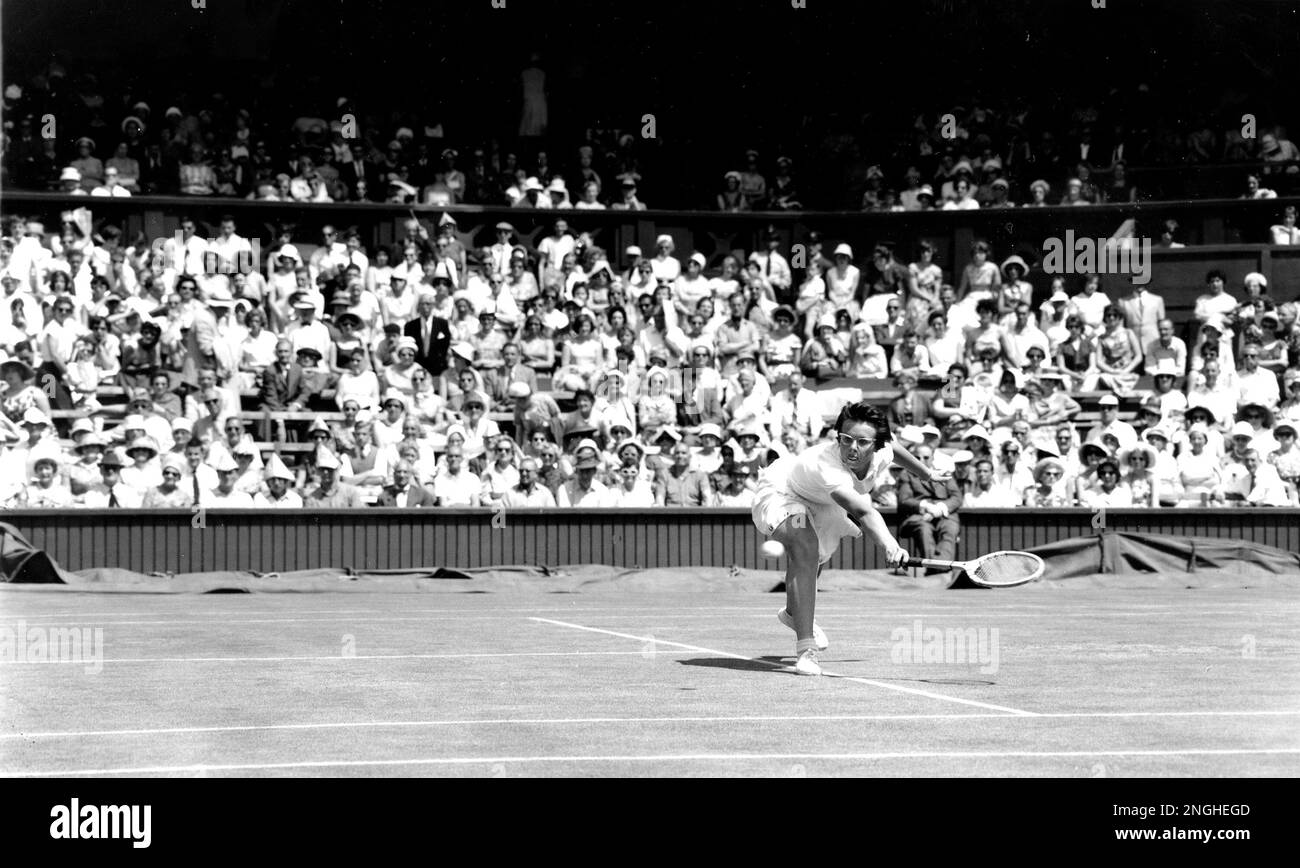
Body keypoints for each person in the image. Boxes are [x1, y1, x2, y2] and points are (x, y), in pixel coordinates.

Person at [751, 401, 941, 675]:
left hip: (822, 500)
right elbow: (864, 511)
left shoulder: (882, 449)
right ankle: (806, 651)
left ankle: (793, 612)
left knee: (815, 557)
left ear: (876, 444)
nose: (853, 448)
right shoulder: (828, 467)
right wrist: (890, 544)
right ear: (838, 436)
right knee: (805, 546)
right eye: (846, 439)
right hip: (783, 493)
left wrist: (928, 474)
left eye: (862, 442)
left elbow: (894, 449)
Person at [894, 443, 962, 573]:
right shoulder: (906, 474)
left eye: (926, 457)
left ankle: (943, 567)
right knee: (924, 528)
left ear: (932, 458)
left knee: (950, 527)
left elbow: (957, 497)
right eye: (917, 457)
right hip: (919, 516)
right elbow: (904, 500)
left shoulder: (944, 472)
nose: (922, 461)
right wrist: (926, 507)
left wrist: (939, 509)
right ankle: (935, 568)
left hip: (943, 515)